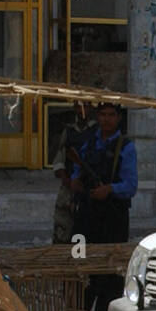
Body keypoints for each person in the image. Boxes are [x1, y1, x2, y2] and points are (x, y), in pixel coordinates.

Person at [69, 102, 137, 311]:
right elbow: (76, 172)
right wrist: (76, 182)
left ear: (118, 118)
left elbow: (130, 186)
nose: (106, 120)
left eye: (111, 115)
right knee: (81, 265)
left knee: (110, 269)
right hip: (87, 214)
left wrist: (109, 189)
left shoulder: (126, 147)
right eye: (103, 115)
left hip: (113, 216)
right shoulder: (88, 141)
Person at [51, 101, 97, 244]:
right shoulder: (69, 132)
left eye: (86, 106)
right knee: (63, 230)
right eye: (78, 106)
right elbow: (59, 163)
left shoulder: (97, 131)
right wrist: (68, 181)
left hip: (91, 189)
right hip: (70, 188)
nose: (82, 110)